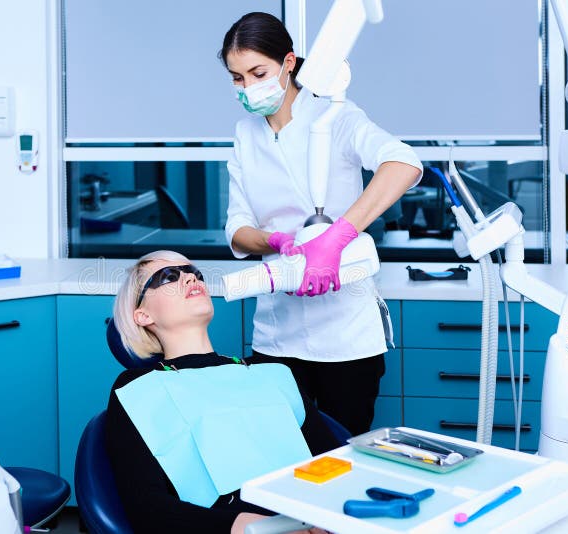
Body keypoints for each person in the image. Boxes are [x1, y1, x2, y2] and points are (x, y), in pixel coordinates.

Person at [220, 12, 423, 436]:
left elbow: (403, 164)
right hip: (276, 333)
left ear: (289, 62)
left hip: (346, 335)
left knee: (341, 455)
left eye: (258, 73)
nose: (248, 87)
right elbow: (237, 228)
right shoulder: (245, 134)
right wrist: (276, 240)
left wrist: (336, 237)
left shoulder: (336, 118)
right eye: (237, 78)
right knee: (278, 454)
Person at [105, 250, 337, 534]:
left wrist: (325, 518)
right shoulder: (136, 389)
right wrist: (260, 528)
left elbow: (335, 463)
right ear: (142, 315)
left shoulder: (272, 373)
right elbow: (148, 509)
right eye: (168, 276)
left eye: (194, 272)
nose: (190, 277)